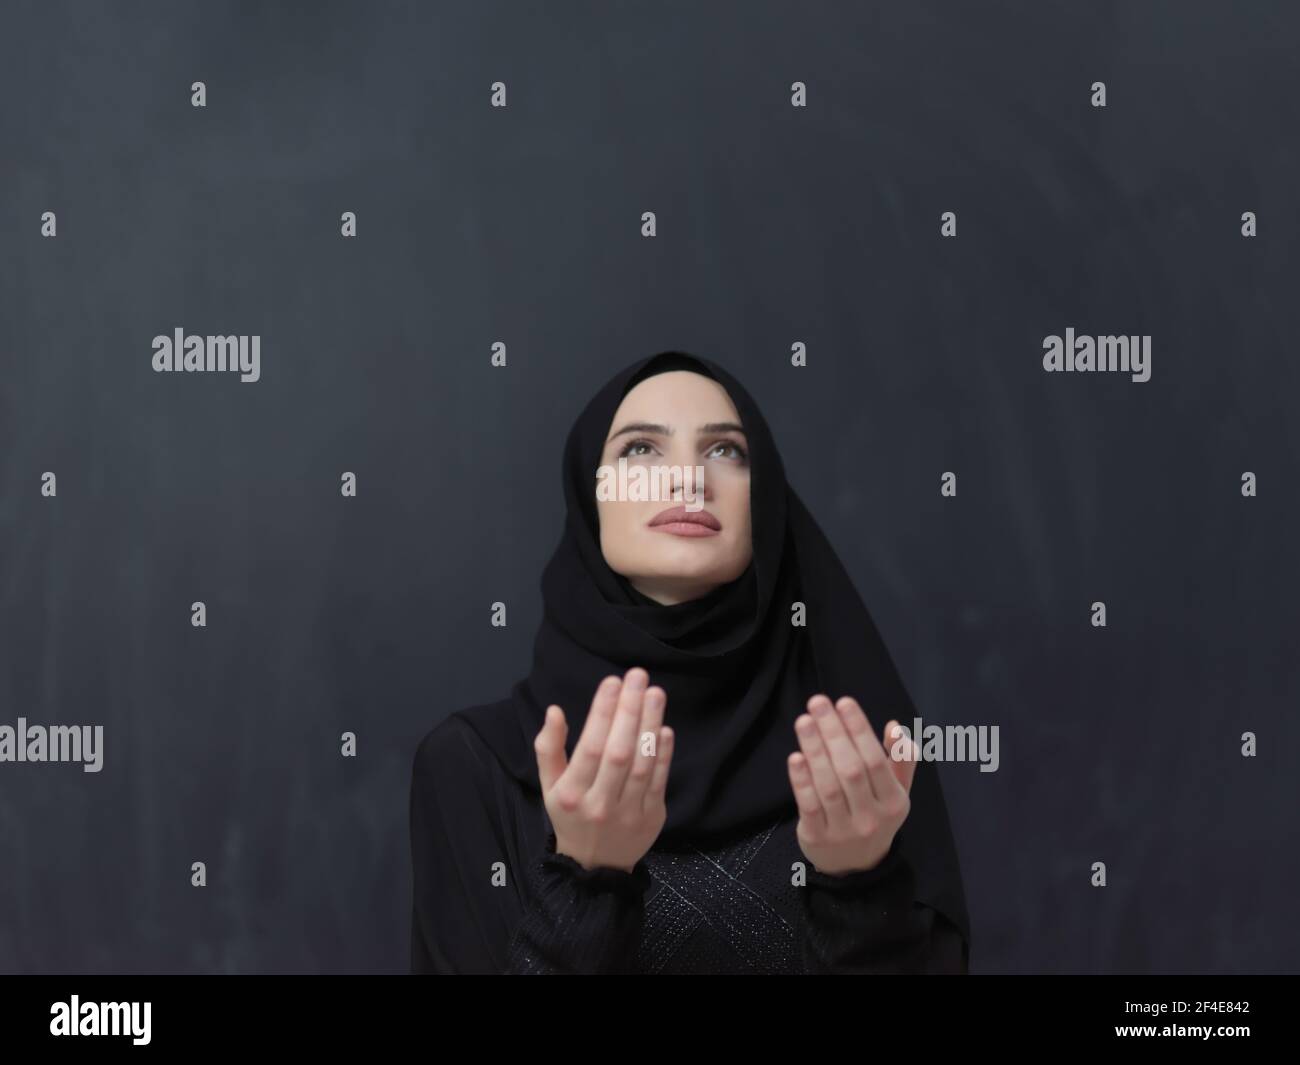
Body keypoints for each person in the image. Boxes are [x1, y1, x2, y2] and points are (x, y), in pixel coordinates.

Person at [409, 351, 971, 974]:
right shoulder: (475, 766)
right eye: (640, 450)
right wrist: (587, 877)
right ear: (588, 493)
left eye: (726, 451)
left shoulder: (852, 763)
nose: (687, 479)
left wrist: (858, 884)